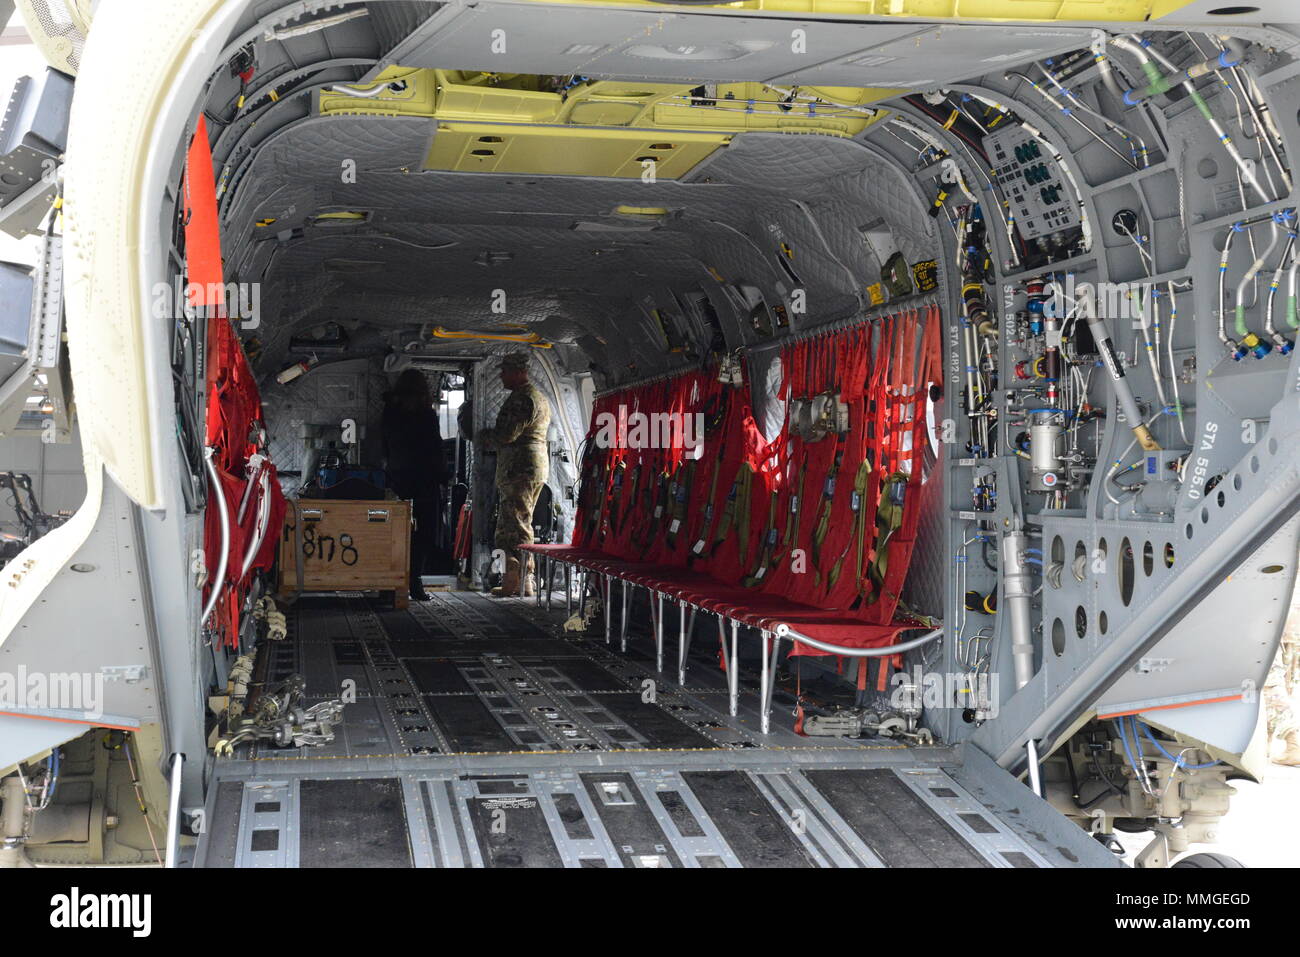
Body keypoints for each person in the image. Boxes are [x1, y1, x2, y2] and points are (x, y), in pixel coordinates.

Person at [460, 352, 552, 596]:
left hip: (519, 468)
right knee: (520, 520)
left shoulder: (522, 398)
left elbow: (505, 435)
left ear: (517, 372)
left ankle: (520, 581)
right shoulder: (538, 396)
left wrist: (481, 436)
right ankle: (518, 580)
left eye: (504, 371)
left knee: (515, 525)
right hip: (531, 466)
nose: (501, 376)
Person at [382, 369, 447, 601]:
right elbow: (434, 448)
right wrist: (443, 477)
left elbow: (385, 446)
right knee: (425, 532)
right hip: (424, 480)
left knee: (394, 532)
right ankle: (415, 580)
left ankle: (389, 583)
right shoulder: (426, 415)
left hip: (398, 477)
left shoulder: (389, 412)